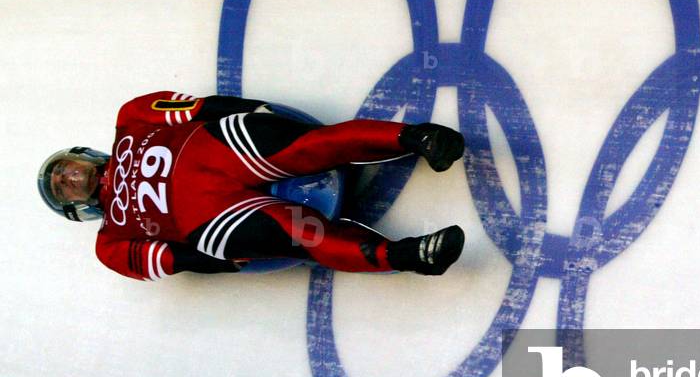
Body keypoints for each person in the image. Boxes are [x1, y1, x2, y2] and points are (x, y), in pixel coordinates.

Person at [38, 91, 466, 281]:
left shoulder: (132, 117)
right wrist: (227, 262)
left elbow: (198, 107)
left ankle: (416, 138)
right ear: (76, 208)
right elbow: (173, 259)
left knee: (312, 145)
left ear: (82, 154)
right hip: (212, 220)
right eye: (63, 187)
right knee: (304, 233)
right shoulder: (111, 242)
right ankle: (406, 256)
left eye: (66, 168)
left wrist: (254, 109)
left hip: (219, 149)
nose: (70, 177)